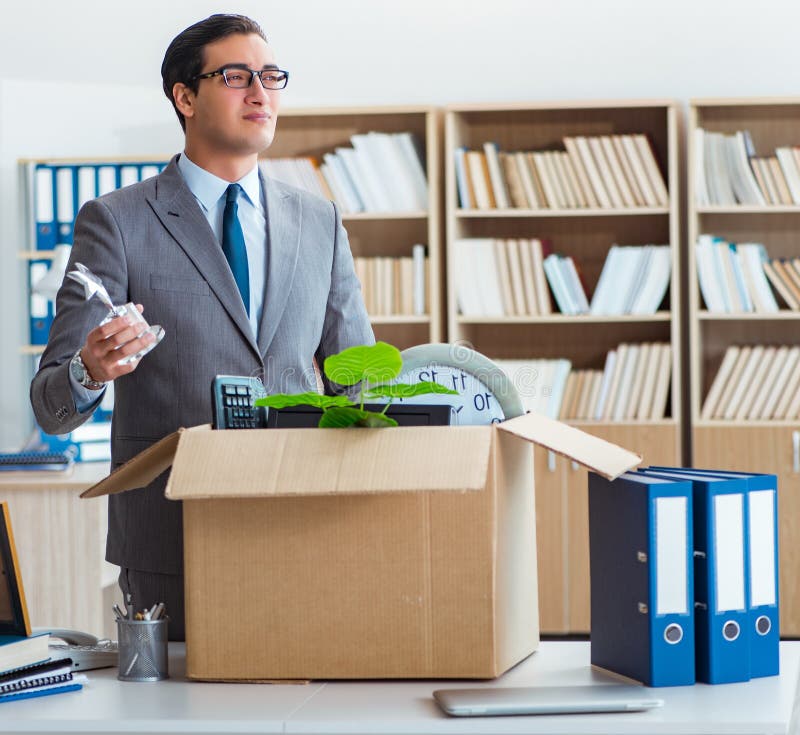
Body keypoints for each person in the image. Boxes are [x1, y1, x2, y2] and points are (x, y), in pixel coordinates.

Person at [30, 14, 374, 640]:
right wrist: (90, 369)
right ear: (184, 96)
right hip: (171, 538)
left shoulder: (319, 221)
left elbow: (357, 379)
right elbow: (52, 406)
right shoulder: (117, 220)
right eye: (237, 76)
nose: (261, 92)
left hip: (304, 524)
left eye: (271, 77)